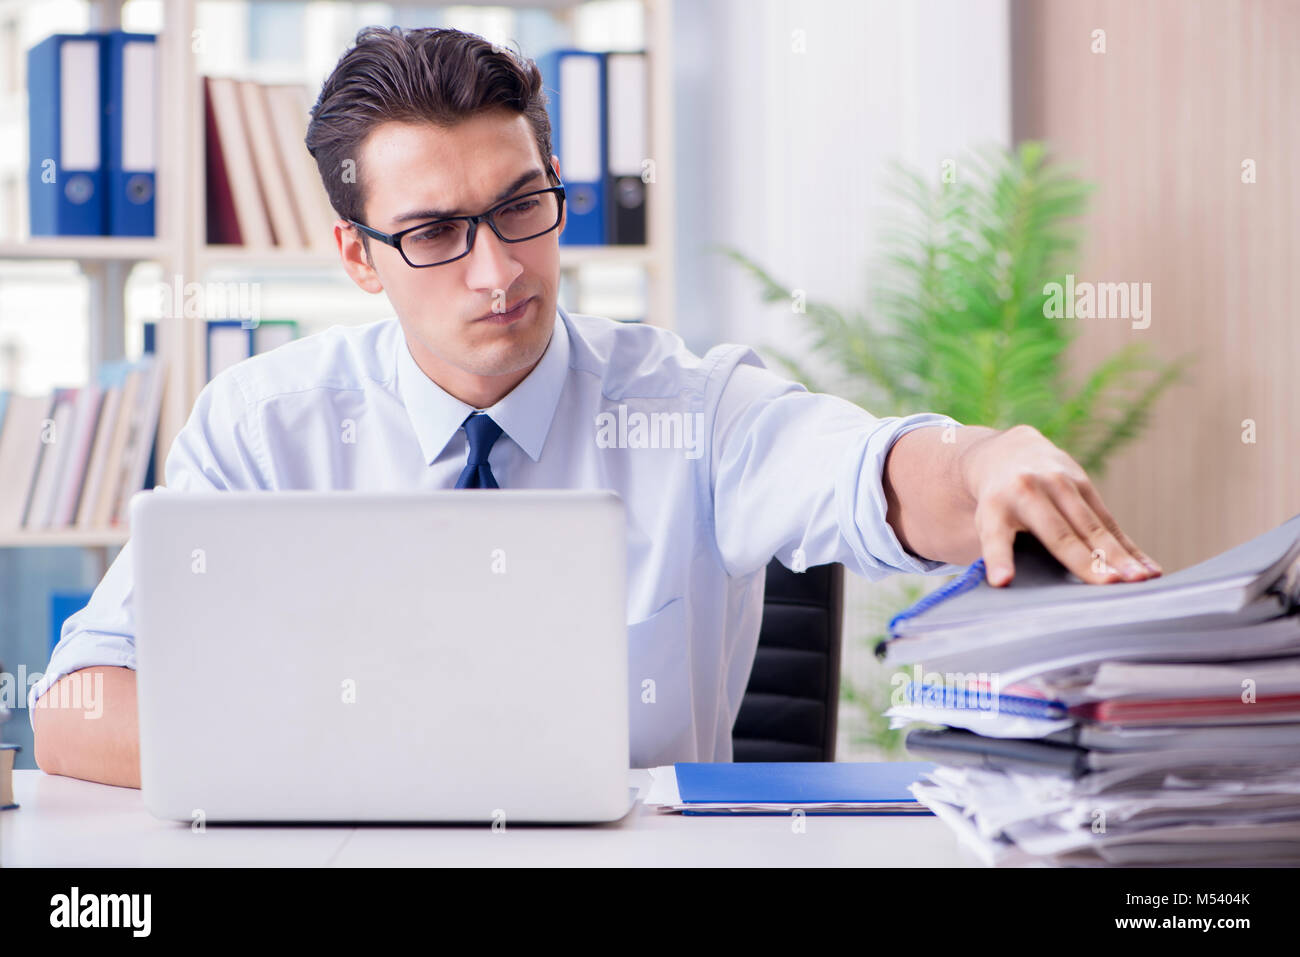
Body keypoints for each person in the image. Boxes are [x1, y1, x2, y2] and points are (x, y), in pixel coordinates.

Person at [30, 26, 1160, 789]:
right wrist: (337, 753)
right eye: (433, 233)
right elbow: (76, 705)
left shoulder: (691, 407)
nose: (498, 271)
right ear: (358, 258)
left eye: (523, 207)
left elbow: (870, 472)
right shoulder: (262, 427)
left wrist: (985, 459)